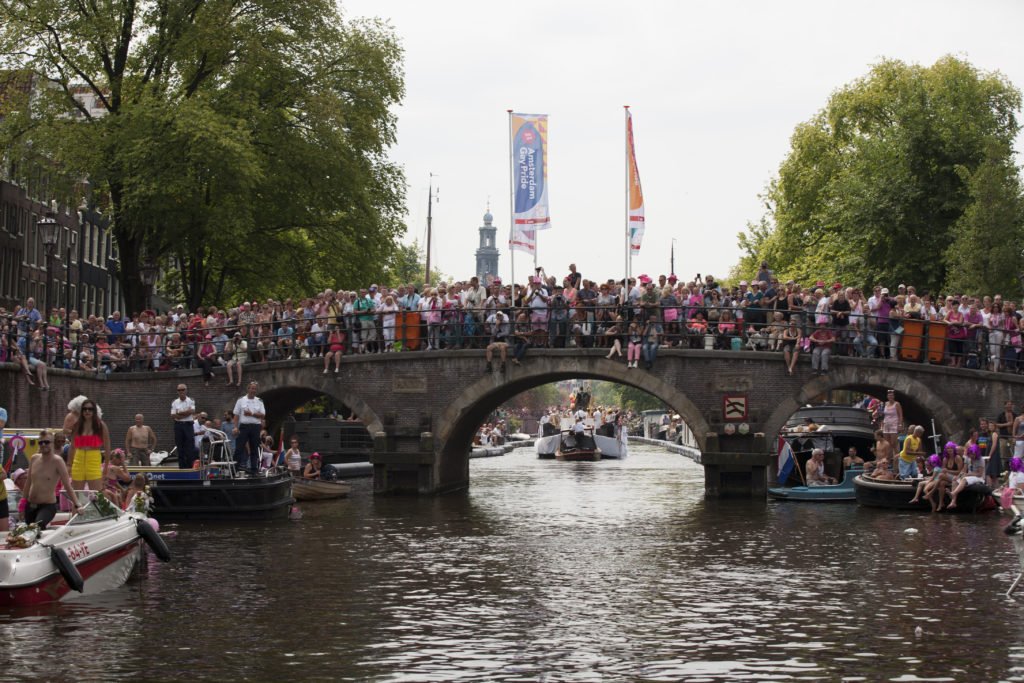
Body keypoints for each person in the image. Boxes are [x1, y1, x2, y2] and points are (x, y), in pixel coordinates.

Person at [23, 430, 79, 529]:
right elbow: (28, 482)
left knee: (37, 526)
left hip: (47, 505)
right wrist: (23, 502)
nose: (43, 444)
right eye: (41, 442)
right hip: (30, 504)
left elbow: (67, 485)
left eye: (47, 442)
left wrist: (77, 504)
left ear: (53, 443)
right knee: (29, 532)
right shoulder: (34, 458)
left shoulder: (58, 461)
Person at [68, 399, 110, 493]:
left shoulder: (101, 425)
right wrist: (69, 465)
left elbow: (107, 448)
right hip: (78, 459)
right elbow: (72, 446)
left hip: (94, 459)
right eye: (84, 409)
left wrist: (106, 466)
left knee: (96, 494)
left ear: (94, 411)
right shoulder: (77, 425)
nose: (87, 411)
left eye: (90, 409)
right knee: (78, 494)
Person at [232, 381, 266, 475]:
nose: (253, 390)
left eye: (255, 389)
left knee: (254, 449)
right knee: (239, 448)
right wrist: (235, 427)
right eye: (252, 388)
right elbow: (236, 415)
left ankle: (254, 470)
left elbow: (262, 415)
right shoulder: (241, 400)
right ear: (248, 389)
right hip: (244, 426)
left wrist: (252, 414)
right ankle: (234, 469)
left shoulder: (259, 401)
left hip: (255, 427)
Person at [947, 443, 986, 510]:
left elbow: (979, 474)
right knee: (955, 480)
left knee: (964, 479)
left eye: (973, 454)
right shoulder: (967, 458)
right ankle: (953, 502)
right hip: (969, 476)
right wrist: (958, 476)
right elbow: (964, 469)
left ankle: (953, 493)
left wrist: (967, 474)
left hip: (979, 477)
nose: (972, 456)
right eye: (970, 454)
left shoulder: (980, 460)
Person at [171, 384, 197, 469]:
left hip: (188, 425)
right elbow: (173, 415)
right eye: (179, 390)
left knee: (190, 446)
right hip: (178, 426)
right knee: (180, 446)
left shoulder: (191, 400)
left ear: (186, 390)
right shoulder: (174, 402)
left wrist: (180, 412)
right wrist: (186, 412)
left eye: (183, 389)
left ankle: (190, 466)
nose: (181, 391)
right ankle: (182, 467)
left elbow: (192, 411)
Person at [881, 390, 903, 454]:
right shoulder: (886, 403)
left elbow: (900, 415)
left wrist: (900, 425)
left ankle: (897, 456)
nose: (890, 396)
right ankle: (889, 457)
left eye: (891, 395)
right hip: (886, 424)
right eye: (889, 395)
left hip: (894, 424)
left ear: (894, 396)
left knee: (893, 443)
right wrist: (882, 425)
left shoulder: (897, 404)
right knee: (887, 444)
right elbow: (884, 415)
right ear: (887, 396)